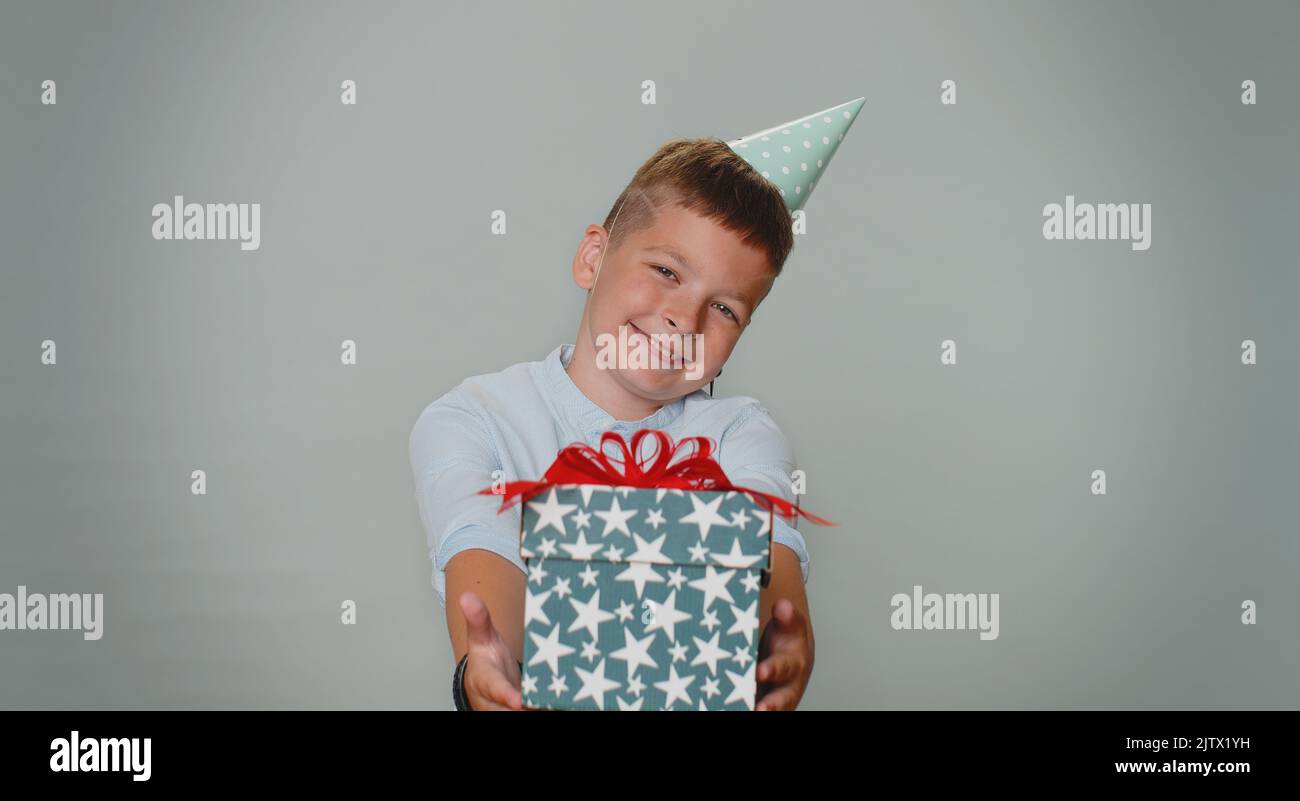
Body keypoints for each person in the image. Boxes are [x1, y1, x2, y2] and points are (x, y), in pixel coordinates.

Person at [409, 99, 863, 710]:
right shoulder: (476, 419)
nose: (685, 317)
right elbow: (483, 555)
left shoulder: (740, 434)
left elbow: (770, 551)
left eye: (726, 309)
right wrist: (490, 665)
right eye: (667, 270)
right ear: (593, 258)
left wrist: (783, 632)